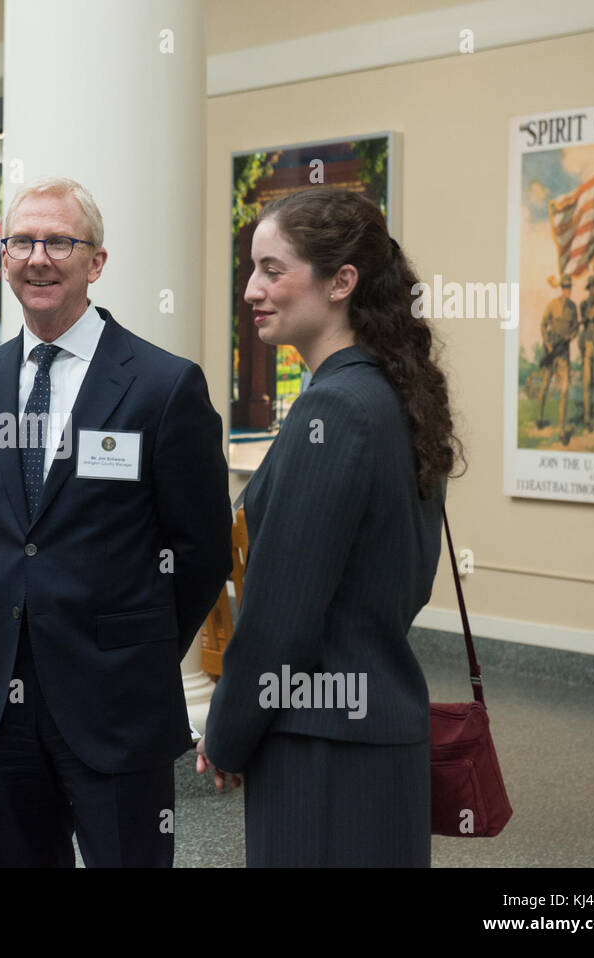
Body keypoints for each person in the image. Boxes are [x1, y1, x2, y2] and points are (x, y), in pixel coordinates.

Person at [0, 176, 232, 867]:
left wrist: (133, 646)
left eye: (59, 242)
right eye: (22, 241)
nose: (38, 257)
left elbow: (201, 552)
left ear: (96, 262)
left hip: (115, 707)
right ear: (2, 257)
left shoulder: (162, 388)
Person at [197, 187, 462, 867]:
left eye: (273, 269)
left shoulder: (337, 411)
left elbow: (281, 617)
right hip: (376, 735)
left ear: (341, 281)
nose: (252, 288)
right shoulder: (388, 395)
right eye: (251, 268)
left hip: (323, 754)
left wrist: (226, 733)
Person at [536, 273, 577, 441]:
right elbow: (543, 323)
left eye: (570, 287)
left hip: (564, 353)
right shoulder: (552, 305)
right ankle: (539, 419)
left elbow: (575, 327)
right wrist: (547, 343)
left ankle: (561, 430)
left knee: (565, 390)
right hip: (552, 351)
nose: (567, 290)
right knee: (545, 385)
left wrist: (571, 336)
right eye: (565, 287)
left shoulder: (573, 307)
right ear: (562, 288)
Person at [578, 274, 594, 430]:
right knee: (587, 382)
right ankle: (587, 417)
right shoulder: (584, 303)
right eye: (592, 285)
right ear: (589, 288)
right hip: (588, 344)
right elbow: (590, 315)